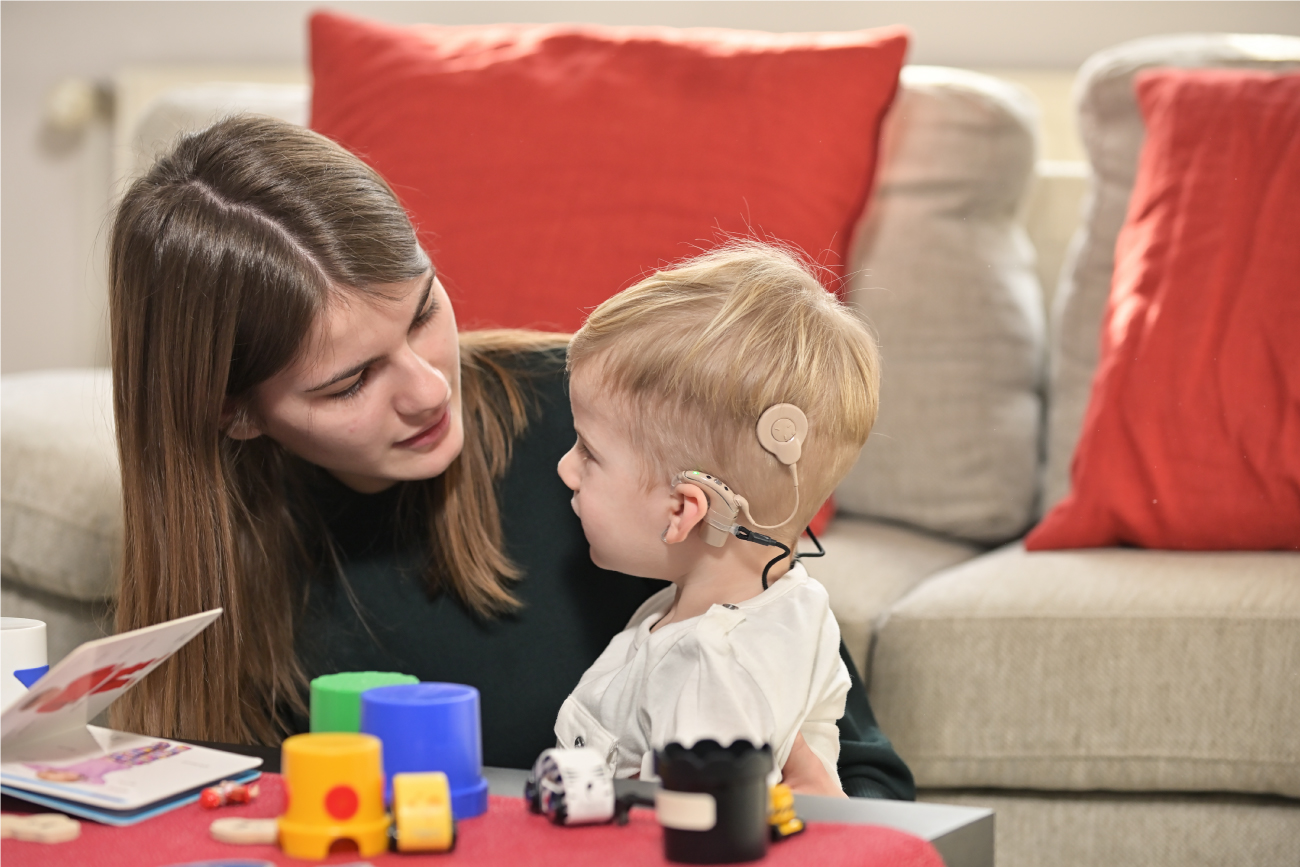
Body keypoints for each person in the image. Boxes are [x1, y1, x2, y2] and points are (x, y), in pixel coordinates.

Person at [106, 114, 914, 799]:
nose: (428, 389)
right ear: (234, 412)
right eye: (350, 380)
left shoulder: (614, 427)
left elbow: (871, 782)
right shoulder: (216, 568)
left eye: (424, 310)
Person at [554, 243, 877, 793]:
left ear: (684, 510)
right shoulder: (740, 609)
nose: (565, 469)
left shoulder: (714, 672)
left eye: (588, 451)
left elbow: (693, 843)